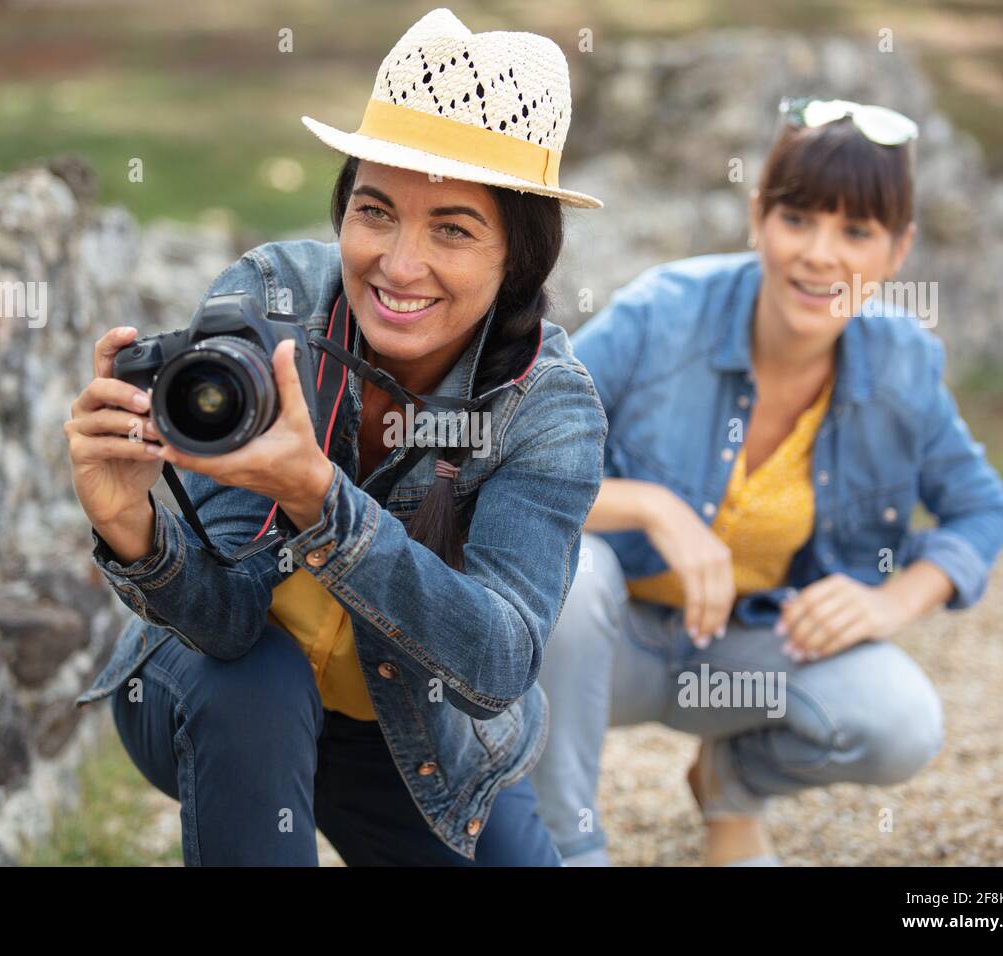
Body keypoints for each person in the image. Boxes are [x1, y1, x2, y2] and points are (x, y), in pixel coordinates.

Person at [65, 8, 607, 865]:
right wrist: (128, 522)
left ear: (520, 257)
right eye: (375, 211)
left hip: (415, 732)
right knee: (258, 681)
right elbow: (228, 622)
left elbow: (498, 664)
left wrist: (321, 500)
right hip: (217, 685)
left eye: (453, 229)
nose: (397, 262)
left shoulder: (550, 409)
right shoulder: (270, 303)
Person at [530, 96, 1003, 866]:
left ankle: (732, 782)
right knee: (575, 573)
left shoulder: (904, 366)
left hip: (745, 659)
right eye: (798, 219)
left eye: (856, 231)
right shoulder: (661, 315)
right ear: (759, 218)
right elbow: (520, 460)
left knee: (902, 723)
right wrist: (656, 509)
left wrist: (891, 600)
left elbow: (981, 511)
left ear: (898, 251)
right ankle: (563, 847)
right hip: (597, 654)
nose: (821, 254)